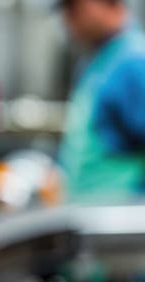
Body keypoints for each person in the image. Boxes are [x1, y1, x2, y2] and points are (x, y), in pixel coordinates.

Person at [58, 0, 145, 202]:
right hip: (93, 218)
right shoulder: (103, 59)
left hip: (121, 222)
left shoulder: (132, 63)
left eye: (73, 7)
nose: (67, 18)